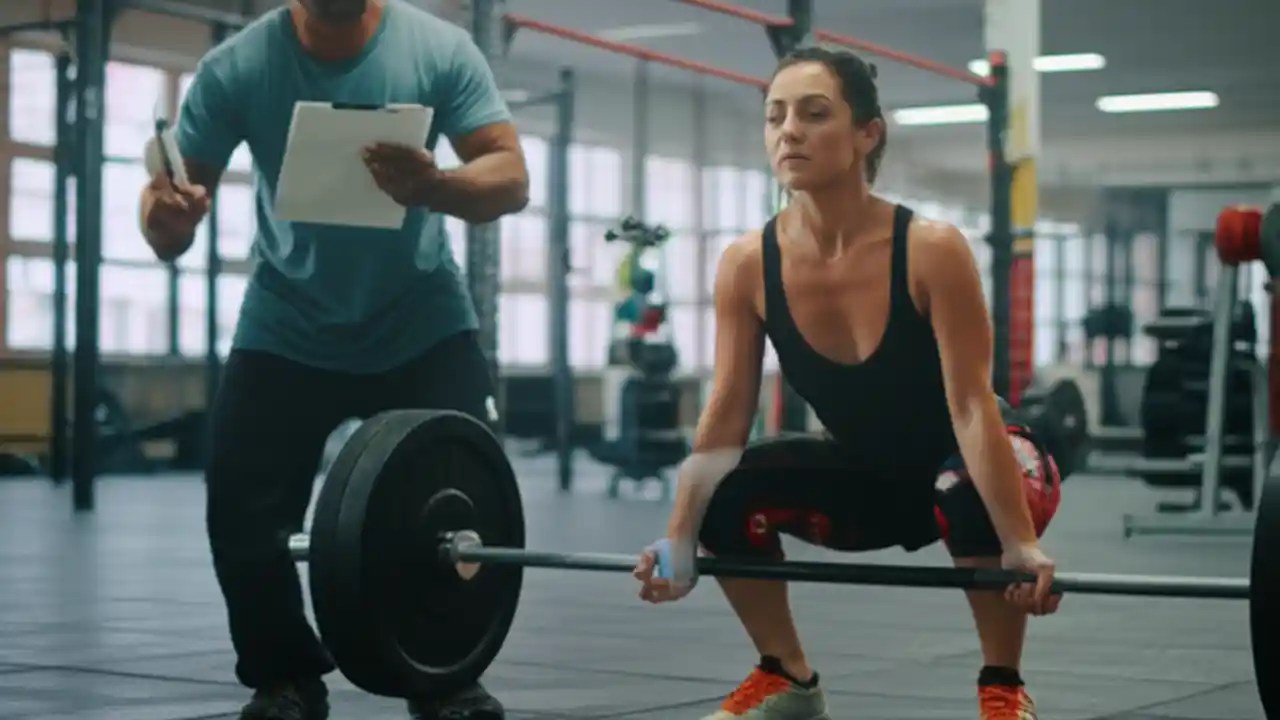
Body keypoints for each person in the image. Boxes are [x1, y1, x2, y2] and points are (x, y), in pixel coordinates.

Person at [632, 47, 1063, 720]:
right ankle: (787, 677)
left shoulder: (931, 249)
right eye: (775, 116)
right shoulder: (747, 264)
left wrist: (1019, 542)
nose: (789, 131)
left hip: (993, 465)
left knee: (964, 487)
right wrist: (680, 535)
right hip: (875, 478)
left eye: (814, 114)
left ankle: (1003, 689)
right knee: (723, 490)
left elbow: (971, 407)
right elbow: (726, 412)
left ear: (868, 133)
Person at [138, 0, 528, 718]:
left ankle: (443, 676)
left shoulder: (439, 51)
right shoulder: (238, 68)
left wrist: (436, 186)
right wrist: (167, 216)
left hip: (421, 318)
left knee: (459, 502)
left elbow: (510, 178)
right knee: (242, 507)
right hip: (286, 320)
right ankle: (284, 676)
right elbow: (166, 218)